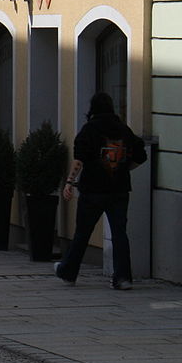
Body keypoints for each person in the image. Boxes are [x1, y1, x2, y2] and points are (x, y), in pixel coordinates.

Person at [55, 93, 147, 290]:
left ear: (93, 109)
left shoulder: (89, 130)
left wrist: (69, 182)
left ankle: (68, 272)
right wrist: (123, 168)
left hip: (93, 190)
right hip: (119, 190)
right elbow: (141, 153)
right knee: (119, 234)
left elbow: (79, 159)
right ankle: (123, 278)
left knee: (82, 233)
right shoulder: (124, 129)